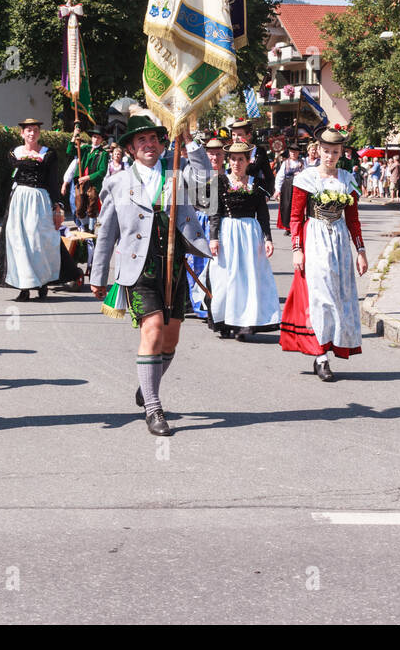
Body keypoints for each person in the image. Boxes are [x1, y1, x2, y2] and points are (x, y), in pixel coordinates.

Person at [90, 115, 211, 437]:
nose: (148, 144)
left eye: (154, 139)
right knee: (153, 329)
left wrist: (189, 140)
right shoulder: (117, 183)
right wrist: (98, 273)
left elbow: (207, 181)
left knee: (170, 338)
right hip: (138, 267)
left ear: (161, 144)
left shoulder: (178, 173)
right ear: (130, 148)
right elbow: (106, 232)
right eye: (141, 140)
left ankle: (148, 385)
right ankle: (154, 408)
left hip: (174, 266)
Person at [279, 126, 368, 381]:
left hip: (339, 240)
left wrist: (360, 250)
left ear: (342, 153)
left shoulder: (347, 179)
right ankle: (320, 356)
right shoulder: (307, 178)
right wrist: (297, 249)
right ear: (318, 150)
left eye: (335, 151)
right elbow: (295, 216)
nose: (330, 156)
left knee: (340, 297)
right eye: (326, 151)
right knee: (321, 296)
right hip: (315, 237)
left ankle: (330, 345)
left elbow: (353, 219)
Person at [207, 141, 280, 340]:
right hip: (227, 232)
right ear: (228, 161)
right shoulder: (220, 182)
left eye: (241, 159)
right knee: (226, 278)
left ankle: (243, 323)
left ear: (248, 161)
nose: (236, 163)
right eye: (233, 159)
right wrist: (214, 238)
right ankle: (224, 320)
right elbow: (215, 213)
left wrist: (268, 239)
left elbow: (263, 214)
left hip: (250, 234)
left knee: (248, 278)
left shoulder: (256, 183)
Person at [0, 117, 63, 302]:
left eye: (35, 130)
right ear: (22, 133)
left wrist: (57, 205)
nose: (31, 133)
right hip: (18, 200)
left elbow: (52, 181)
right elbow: (10, 178)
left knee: (37, 242)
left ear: (39, 133)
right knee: (18, 242)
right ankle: (24, 286)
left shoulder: (48, 154)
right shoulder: (13, 153)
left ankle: (42, 283)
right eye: (28, 130)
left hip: (39, 199)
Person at [185, 136, 225, 319]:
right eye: (211, 154)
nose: (215, 158)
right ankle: (198, 301)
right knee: (196, 263)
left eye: (218, 154)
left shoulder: (228, 177)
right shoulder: (196, 174)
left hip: (222, 225)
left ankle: (217, 302)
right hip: (199, 221)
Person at [67, 124, 110, 231]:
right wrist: (74, 136)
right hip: (80, 183)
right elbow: (70, 151)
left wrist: (87, 178)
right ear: (92, 137)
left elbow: (102, 171)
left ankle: (91, 230)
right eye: (94, 137)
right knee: (79, 208)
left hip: (93, 184)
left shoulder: (103, 153)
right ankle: (84, 227)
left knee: (92, 208)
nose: (96, 139)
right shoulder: (85, 149)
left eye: (98, 137)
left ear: (102, 140)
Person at [227, 119, 275, 196]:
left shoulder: (259, 152)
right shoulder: (229, 151)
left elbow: (269, 176)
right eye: (233, 135)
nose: (236, 138)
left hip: (253, 193)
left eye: (239, 135)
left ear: (248, 135)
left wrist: (267, 194)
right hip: (232, 193)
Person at [273, 139, 306, 235]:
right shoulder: (285, 163)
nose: (293, 153)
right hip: (287, 188)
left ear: (298, 153)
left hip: (299, 187)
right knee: (287, 207)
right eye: (291, 151)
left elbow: (306, 175)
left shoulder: (302, 163)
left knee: (298, 207)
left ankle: (298, 226)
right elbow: (280, 177)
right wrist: (277, 190)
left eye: (295, 152)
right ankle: (287, 227)